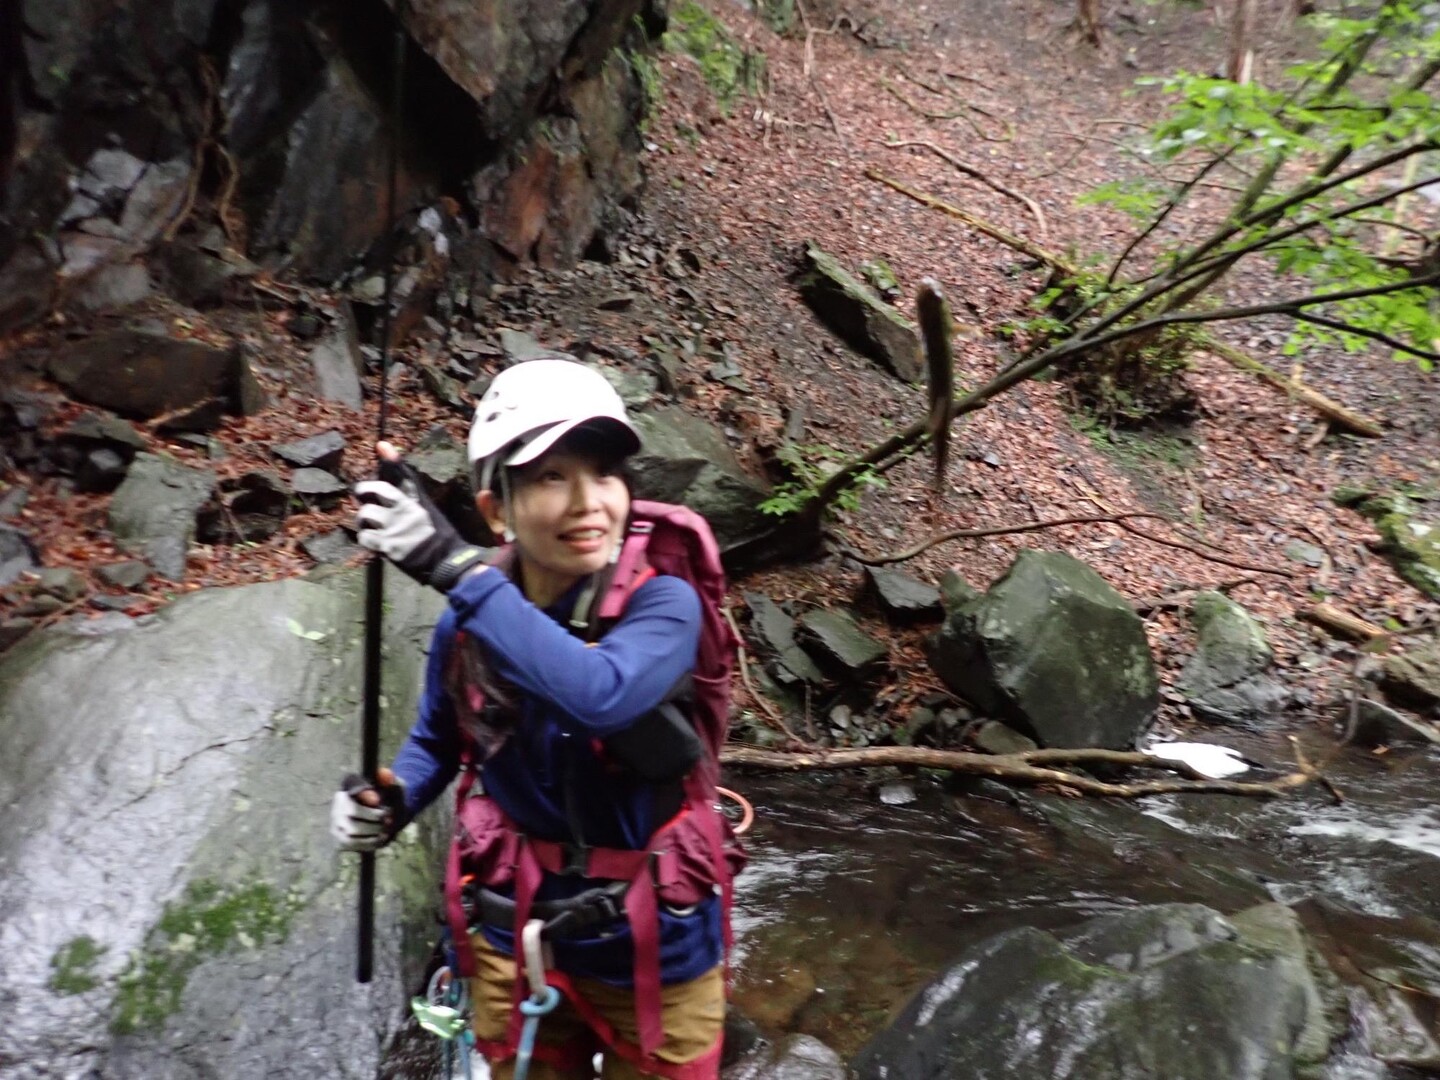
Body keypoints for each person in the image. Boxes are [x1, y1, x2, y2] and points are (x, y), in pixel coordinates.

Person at [331, 359, 734, 1080]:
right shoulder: (474, 617)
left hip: (654, 946)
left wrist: (454, 569)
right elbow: (439, 741)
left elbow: (600, 693)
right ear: (496, 509)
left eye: (605, 473)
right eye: (551, 476)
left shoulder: (664, 604)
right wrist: (390, 801)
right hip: (515, 938)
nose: (589, 502)